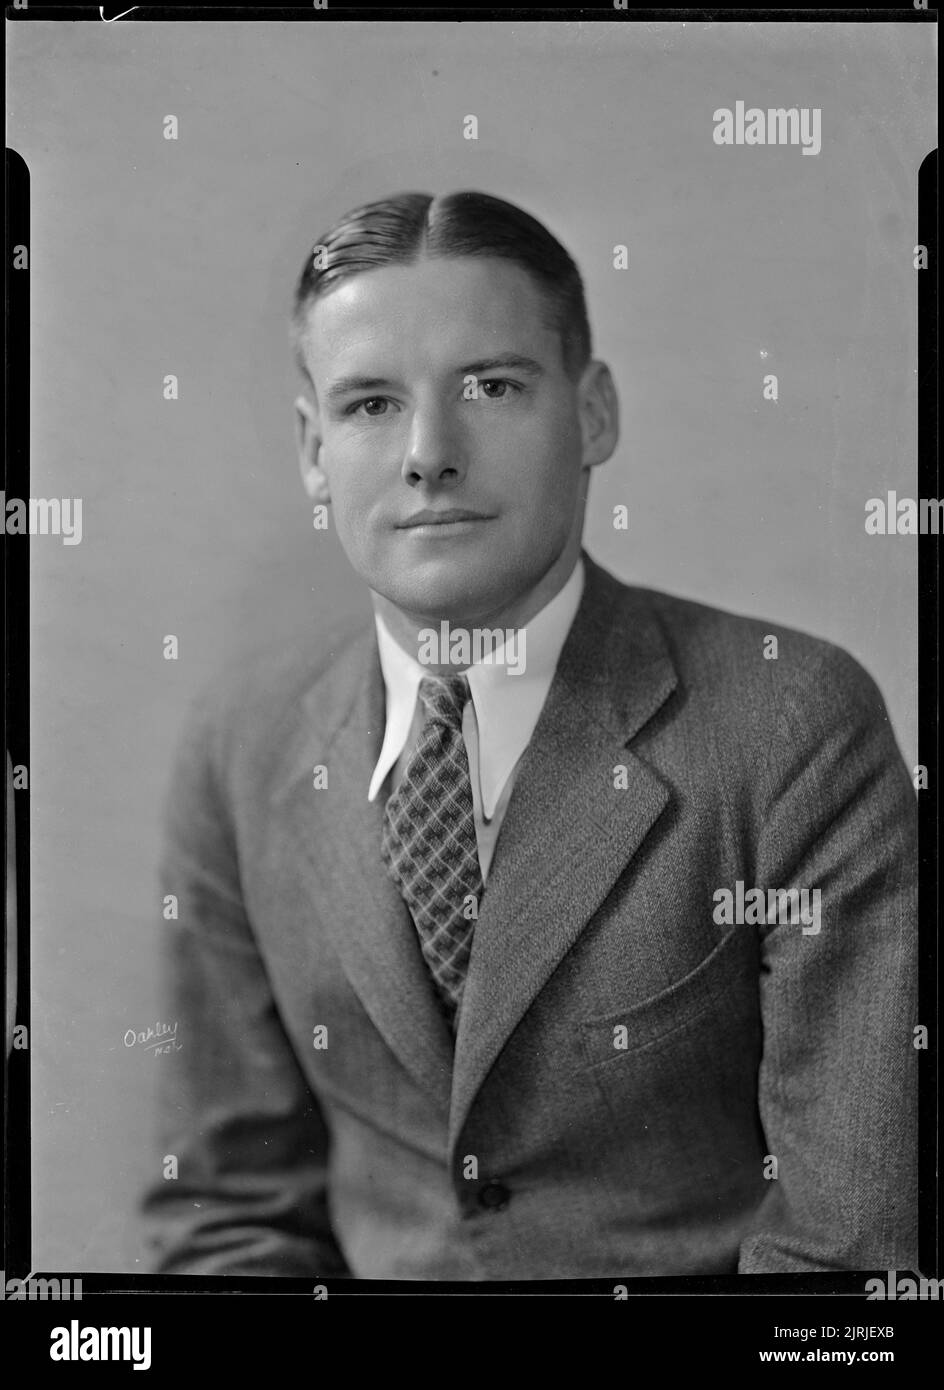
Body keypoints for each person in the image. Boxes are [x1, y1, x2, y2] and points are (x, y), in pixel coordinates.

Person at [141, 190, 917, 1279]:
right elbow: (227, 1211)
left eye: (491, 386)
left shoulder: (791, 725)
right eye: (368, 405)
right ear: (312, 453)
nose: (427, 455)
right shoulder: (243, 739)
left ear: (592, 413)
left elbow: (843, 1251)